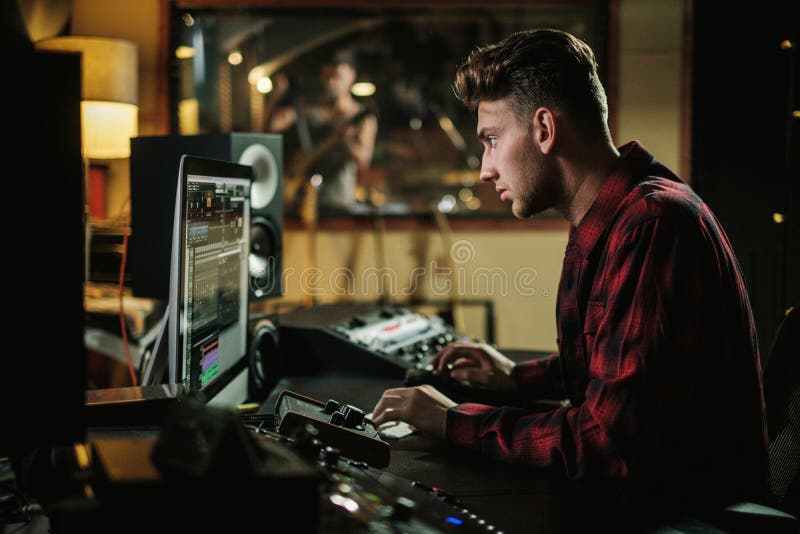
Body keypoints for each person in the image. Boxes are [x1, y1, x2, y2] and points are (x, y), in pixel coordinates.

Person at [372, 29, 769, 511]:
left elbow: (607, 442)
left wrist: (454, 419)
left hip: (686, 514)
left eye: (492, 140)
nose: (485, 168)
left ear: (544, 129)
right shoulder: (614, 212)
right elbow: (626, 366)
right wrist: (517, 378)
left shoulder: (651, 224)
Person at [266, 48, 378, 217]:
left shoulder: (361, 117)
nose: (332, 82)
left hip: (337, 202)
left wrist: (345, 140)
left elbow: (364, 160)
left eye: (337, 76)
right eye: (327, 76)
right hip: (299, 198)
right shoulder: (308, 107)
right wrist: (276, 96)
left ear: (351, 77)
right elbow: (270, 128)